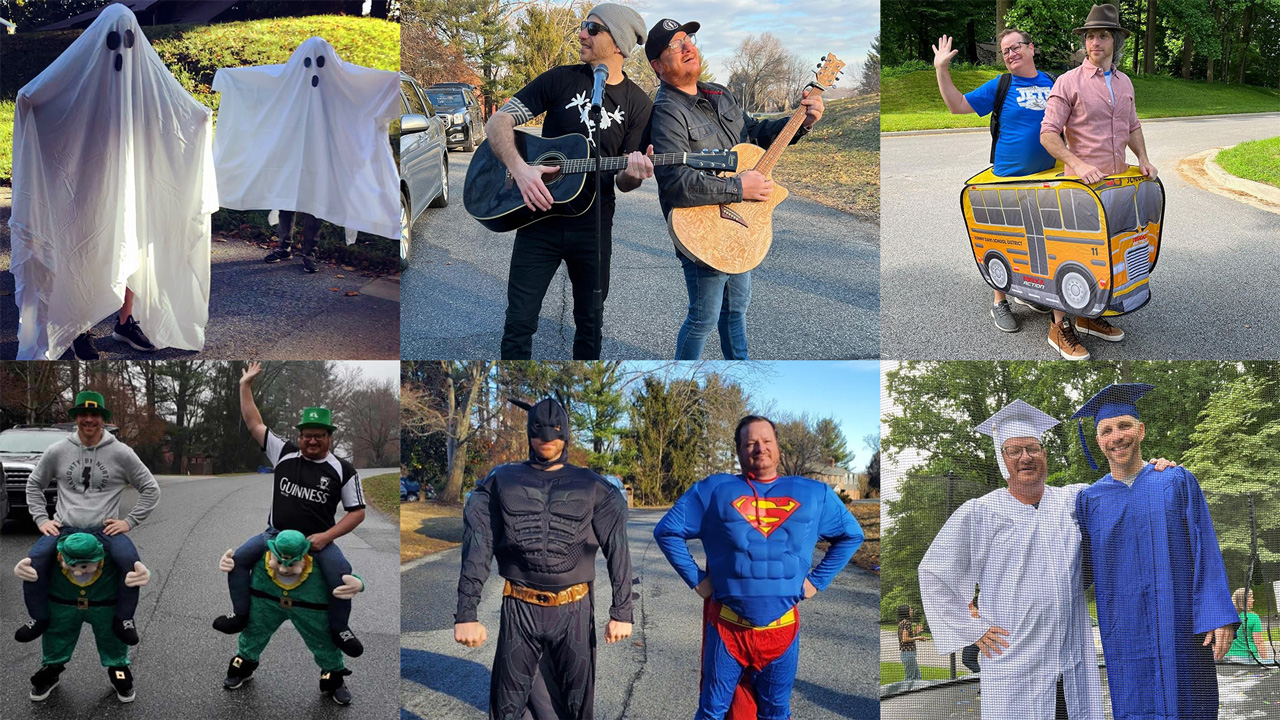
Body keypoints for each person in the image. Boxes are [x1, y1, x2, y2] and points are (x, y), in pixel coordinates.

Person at [10, 3, 215, 360]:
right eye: (112, 40)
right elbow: (43, 96)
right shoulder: (80, 76)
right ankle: (79, 326)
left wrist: (197, 118)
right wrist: (29, 103)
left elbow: (171, 109)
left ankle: (125, 319)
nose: (121, 48)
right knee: (84, 248)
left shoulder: (142, 80)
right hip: (85, 185)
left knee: (134, 245)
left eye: (129, 40)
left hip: (133, 181)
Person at [653, 415, 863, 720]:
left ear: (778, 446)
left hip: (782, 632)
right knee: (712, 712)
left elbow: (851, 535)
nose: (759, 448)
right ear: (738, 451)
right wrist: (696, 579)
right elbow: (667, 531)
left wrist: (818, 581)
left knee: (776, 713)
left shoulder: (813, 494)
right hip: (728, 629)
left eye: (766, 441)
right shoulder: (713, 491)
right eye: (750, 442)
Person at [644, 19, 823, 360]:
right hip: (702, 227)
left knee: (736, 310)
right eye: (674, 46)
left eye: (688, 39)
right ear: (657, 65)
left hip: (741, 223)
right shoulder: (666, 111)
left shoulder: (719, 94)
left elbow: (755, 132)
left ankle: (740, 366)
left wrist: (802, 122)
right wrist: (739, 186)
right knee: (703, 318)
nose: (687, 47)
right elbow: (676, 184)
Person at [487, 4, 655, 360]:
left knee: (590, 326)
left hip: (593, 230)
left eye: (593, 29)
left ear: (620, 44)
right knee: (518, 324)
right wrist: (519, 168)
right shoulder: (559, 79)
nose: (582, 34)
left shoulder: (639, 104)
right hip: (538, 221)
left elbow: (624, 182)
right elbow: (497, 123)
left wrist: (634, 173)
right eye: (583, 26)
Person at [919, 400, 1104, 719]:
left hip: (1073, 661)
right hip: (1016, 664)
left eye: (1033, 448)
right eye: (1014, 451)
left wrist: (1151, 468)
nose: (1026, 457)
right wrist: (971, 629)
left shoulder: (1073, 501)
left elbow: (1121, 491)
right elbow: (935, 573)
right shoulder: (980, 514)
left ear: (1044, 454)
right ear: (1002, 461)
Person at [453, 397, 633, 720]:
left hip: (574, 609)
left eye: (555, 433)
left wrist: (623, 610)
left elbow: (617, 545)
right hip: (520, 607)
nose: (547, 440)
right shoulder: (501, 480)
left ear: (566, 435)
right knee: (507, 705)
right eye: (539, 432)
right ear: (528, 433)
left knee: (577, 705)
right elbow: (478, 544)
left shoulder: (591, 485)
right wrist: (466, 613)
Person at [1071, 383, 1238, 719]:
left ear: (1141, 430)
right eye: (1106, 430)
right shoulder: (1090, 500)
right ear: (1098, 440)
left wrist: (1219, 616)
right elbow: (1078, 568)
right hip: (1125, 630)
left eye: (1124, 426)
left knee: (1189, 701)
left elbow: (1205, 549)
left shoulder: (1176, 481)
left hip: (1179, 626)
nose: (1116, 436)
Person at [213, 362, 367, 659]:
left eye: (318, 435)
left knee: (342, 576)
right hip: (275, 534)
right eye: (306, 434)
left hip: (317, 541)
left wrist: (326, 536)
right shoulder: (283, 454)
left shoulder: (342, 470)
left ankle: (340, 628)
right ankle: (240, 614)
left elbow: (357, 512)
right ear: (299, 436)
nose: (311, 440)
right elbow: (254, 423)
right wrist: (245, 385)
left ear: (329, 437)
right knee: (238, 562)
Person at [932, 30, 1064, 339]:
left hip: (1046, 179)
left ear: (1032, 47)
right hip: (1006, 180)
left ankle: (1032, 292)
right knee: (1003, 242)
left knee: (1041, 242)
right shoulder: (1001, 85)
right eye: (1005, 51)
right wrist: (941, 69)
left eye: (1015, 47)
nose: (1010, 54)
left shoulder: (1054, 83)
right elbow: (958, 106)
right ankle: (1000, 300)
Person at [1040, 4, 1156, 355]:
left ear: (1116, 40)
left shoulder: (1124, 82)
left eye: (1103, 35)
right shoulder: (1068, 82)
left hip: (1117, 186)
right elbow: (1048, 134)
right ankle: (1058, 327)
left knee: (1107, 253)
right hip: (1080, 189)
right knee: (1071, 257)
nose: (1095, 41)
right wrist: (1078, 162)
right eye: (1090, 35)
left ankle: (1091, 315)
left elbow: (1132, 126)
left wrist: (1144, 159)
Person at [16, 391, 160, 648]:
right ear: (77, 417)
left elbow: (151, 488)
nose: (89, 419)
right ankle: (38, 618)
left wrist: (128, 522)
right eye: (84, 414)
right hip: (64, 528)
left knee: (130, 562)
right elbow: (34, 484)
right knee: (34, 562)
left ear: (103, 419)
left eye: (95, 414)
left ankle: (124, 619)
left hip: (104, 531)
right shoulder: (57, 451)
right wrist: (41, 519)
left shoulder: (121, 452)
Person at [219, 530, 364, 705]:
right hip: (267, 600)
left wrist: (358, 583)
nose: (283, 569)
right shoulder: (262, 553)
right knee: (254, 631)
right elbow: (240, 563)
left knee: (322, 639)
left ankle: (334, 677)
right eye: (278, 561)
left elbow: (341, 576)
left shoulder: (318, 561)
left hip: (309, 606)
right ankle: (243, 664)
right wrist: (231, 563)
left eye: (291, 564)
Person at [17, 533, 150, 703]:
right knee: (57, 635)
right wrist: (27, 568)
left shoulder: (110, 550)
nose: (78, 571)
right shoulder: (55, 550)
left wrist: (143, 574)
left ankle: (118, 671)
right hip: (63, 603)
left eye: (85, 566)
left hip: (104, 604)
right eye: (71, 565)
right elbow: (38, 567)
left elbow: (129, 566)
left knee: (112, 637)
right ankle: (52, 668)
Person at [1226, 588, 1271, 660]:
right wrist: (1266, 660)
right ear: (1245, 600)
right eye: (1251, 597)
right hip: (1248, 658)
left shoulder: (1228, 617)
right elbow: (1258, 642)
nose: (1253, 600)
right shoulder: (1253, 618)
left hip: (1228, 657)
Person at [898, 604, 929, 682]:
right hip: (908, 654)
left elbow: (906, 637)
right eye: (910, 610)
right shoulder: (907, 623)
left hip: (907, 654)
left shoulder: (901, 623)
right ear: (906, 612)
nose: (912, 611)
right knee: (910, 677)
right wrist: (918, 637)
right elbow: (905, 639)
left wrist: (915, 632)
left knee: (917, 676)